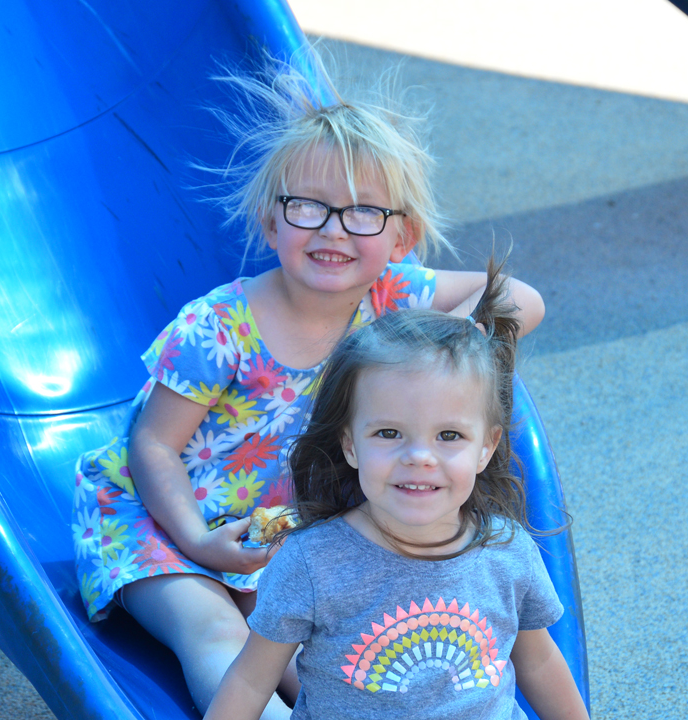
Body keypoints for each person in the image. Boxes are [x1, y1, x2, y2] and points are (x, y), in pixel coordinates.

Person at [71, 56, 546, 718]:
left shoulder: (394, 297)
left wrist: (452, 347)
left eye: (362, 214)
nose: (332, 229)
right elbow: (151, 446)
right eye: (308, 207)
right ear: (272, 222)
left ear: (401, 236)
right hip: (158, 518)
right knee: (217, 633)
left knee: (305, 641)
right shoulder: (219, 328)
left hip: (282, 526)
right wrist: (199, 541)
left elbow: (518, 297)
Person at [204, 266, 588, 720]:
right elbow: (251, 679)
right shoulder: (313, 563)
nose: (419, 457)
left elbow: (539, 661)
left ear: (487, 448)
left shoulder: (505, 552)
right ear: (350, 444)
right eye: (389, 432)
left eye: (449, 436)